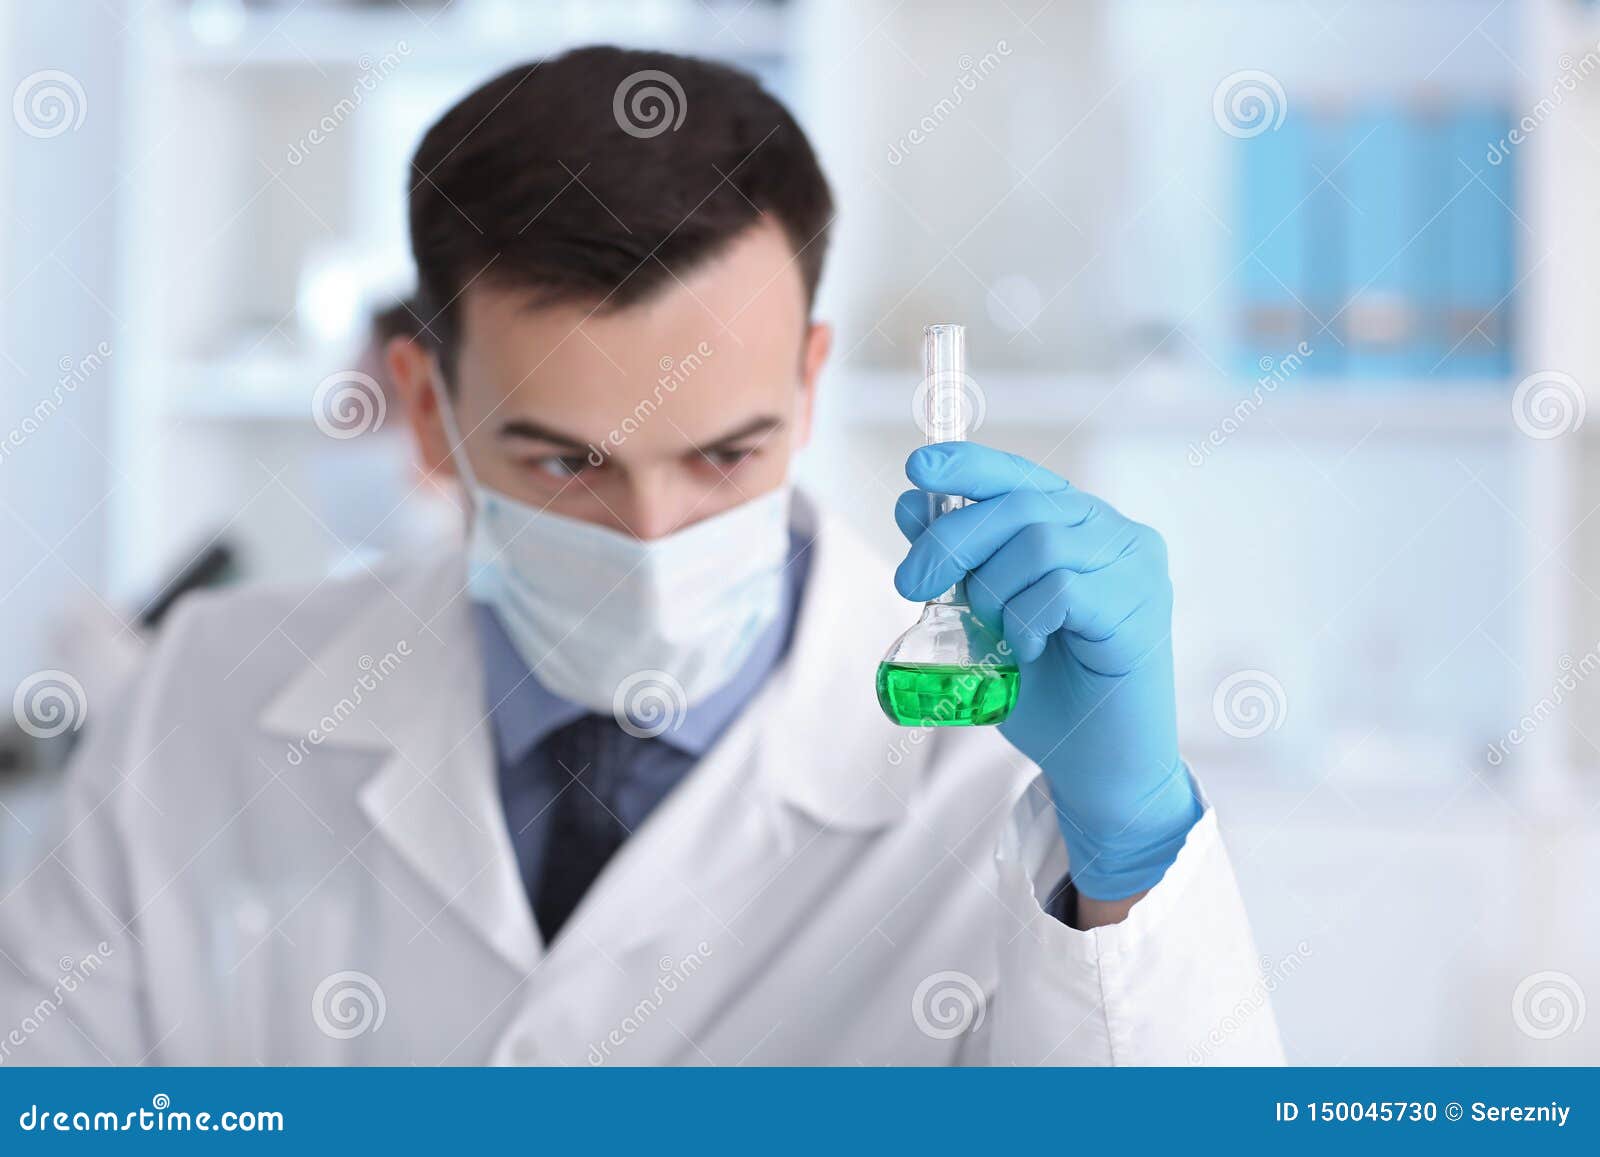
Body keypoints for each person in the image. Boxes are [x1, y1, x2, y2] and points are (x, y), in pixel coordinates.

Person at [0, 47, 1280, 1065]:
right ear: (429, 410)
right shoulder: (207, 698)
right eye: (568, 462)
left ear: (810, 383)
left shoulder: (990, 768)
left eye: (724, 455)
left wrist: (1127, 856)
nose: (656, 538)